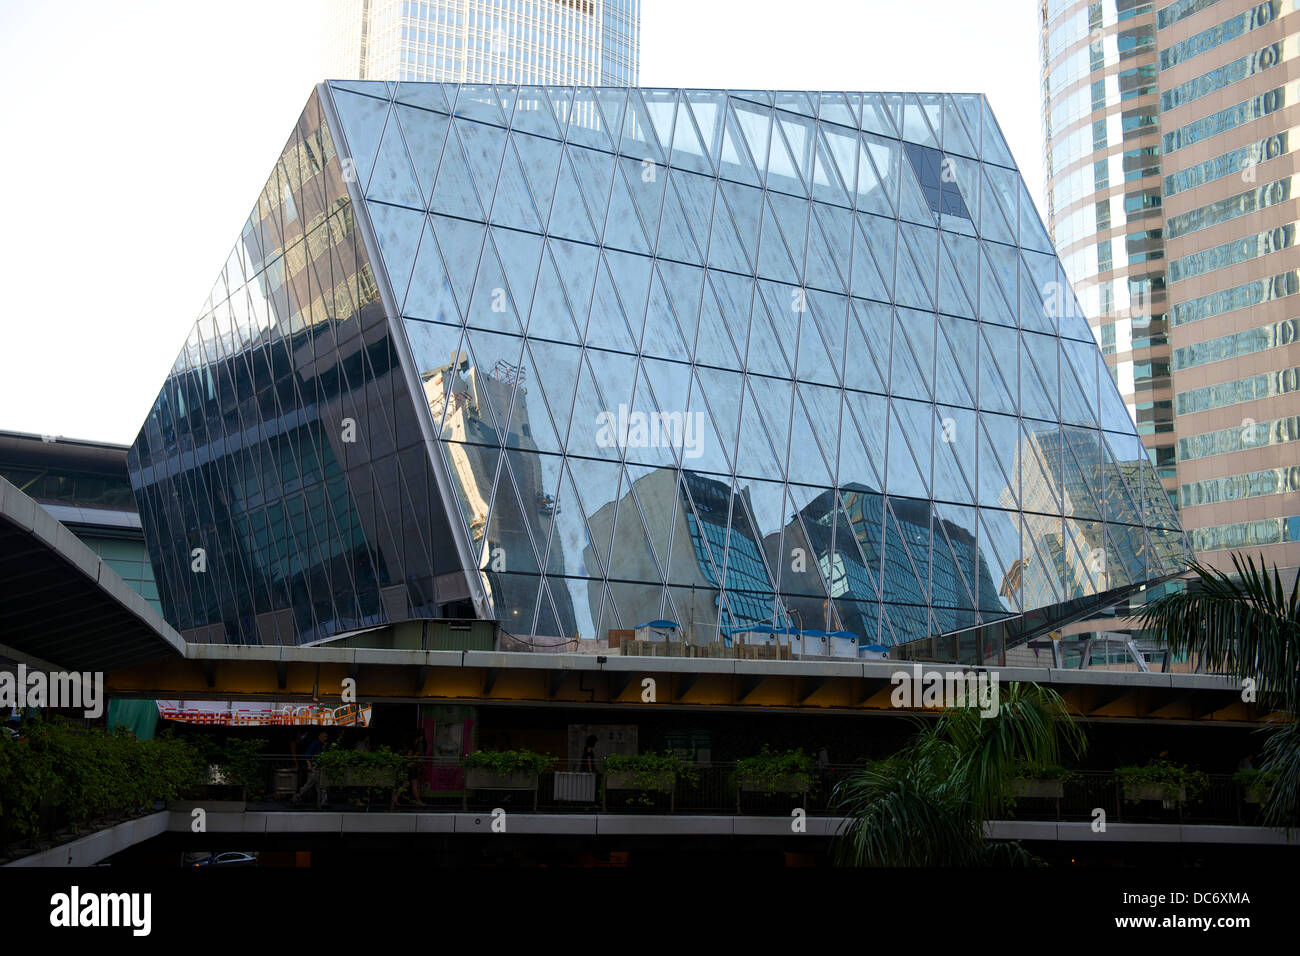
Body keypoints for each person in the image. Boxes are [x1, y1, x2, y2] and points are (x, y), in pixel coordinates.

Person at [292, 731, 330, 807]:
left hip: (320, 767)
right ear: (320, 736)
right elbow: (307, 754)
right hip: (314, 767)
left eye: (326, 737)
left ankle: (323, 802)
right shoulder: (315, 743)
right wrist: (309, 765)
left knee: (320, 785)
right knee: (311, 784)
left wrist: (324, 747)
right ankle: (297, 797)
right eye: (324, 737)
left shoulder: (323, 745)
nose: (326, 738)